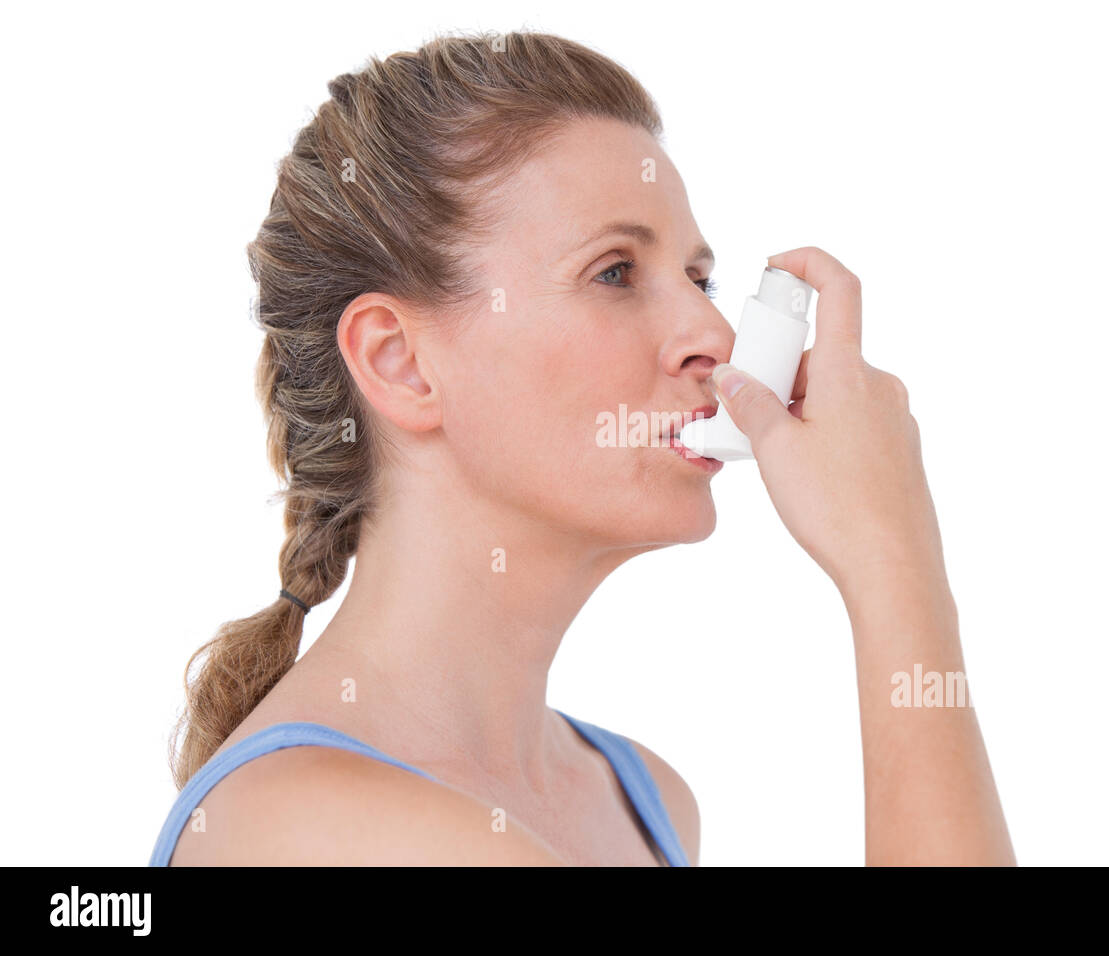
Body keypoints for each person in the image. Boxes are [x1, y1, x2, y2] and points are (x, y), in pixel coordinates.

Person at [152, 29, 1014, 867]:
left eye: (698, 277)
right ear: (400, 361)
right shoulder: (317, 832)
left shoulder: (645, 802)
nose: (713, 331)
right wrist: (894, 559)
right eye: (615, 272)